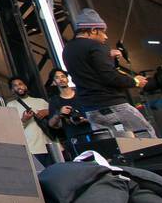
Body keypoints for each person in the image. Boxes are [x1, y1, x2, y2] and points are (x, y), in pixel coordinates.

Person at [62, 8, 153, 138]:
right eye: (103, 32)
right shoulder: (96, 46)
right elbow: (110, 77)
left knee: (117, 146)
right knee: (147, 137)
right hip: (112, 104)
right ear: (93, 30)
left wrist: (107, 58)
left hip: (91, 110)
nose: (106, 36)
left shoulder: (68, 49)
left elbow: (89, 70)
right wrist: (136, 81)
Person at [8, 75, 52, 165]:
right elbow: (11, 130)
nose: (19, 86)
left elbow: (56, 116)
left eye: (20, 84)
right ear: (12, 90)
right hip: (32, 149)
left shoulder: (40, 101)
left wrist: (48, 111)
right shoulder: (10, 105)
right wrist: (23, 120)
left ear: (25, 86)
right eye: (15, 85)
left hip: (51, 145)